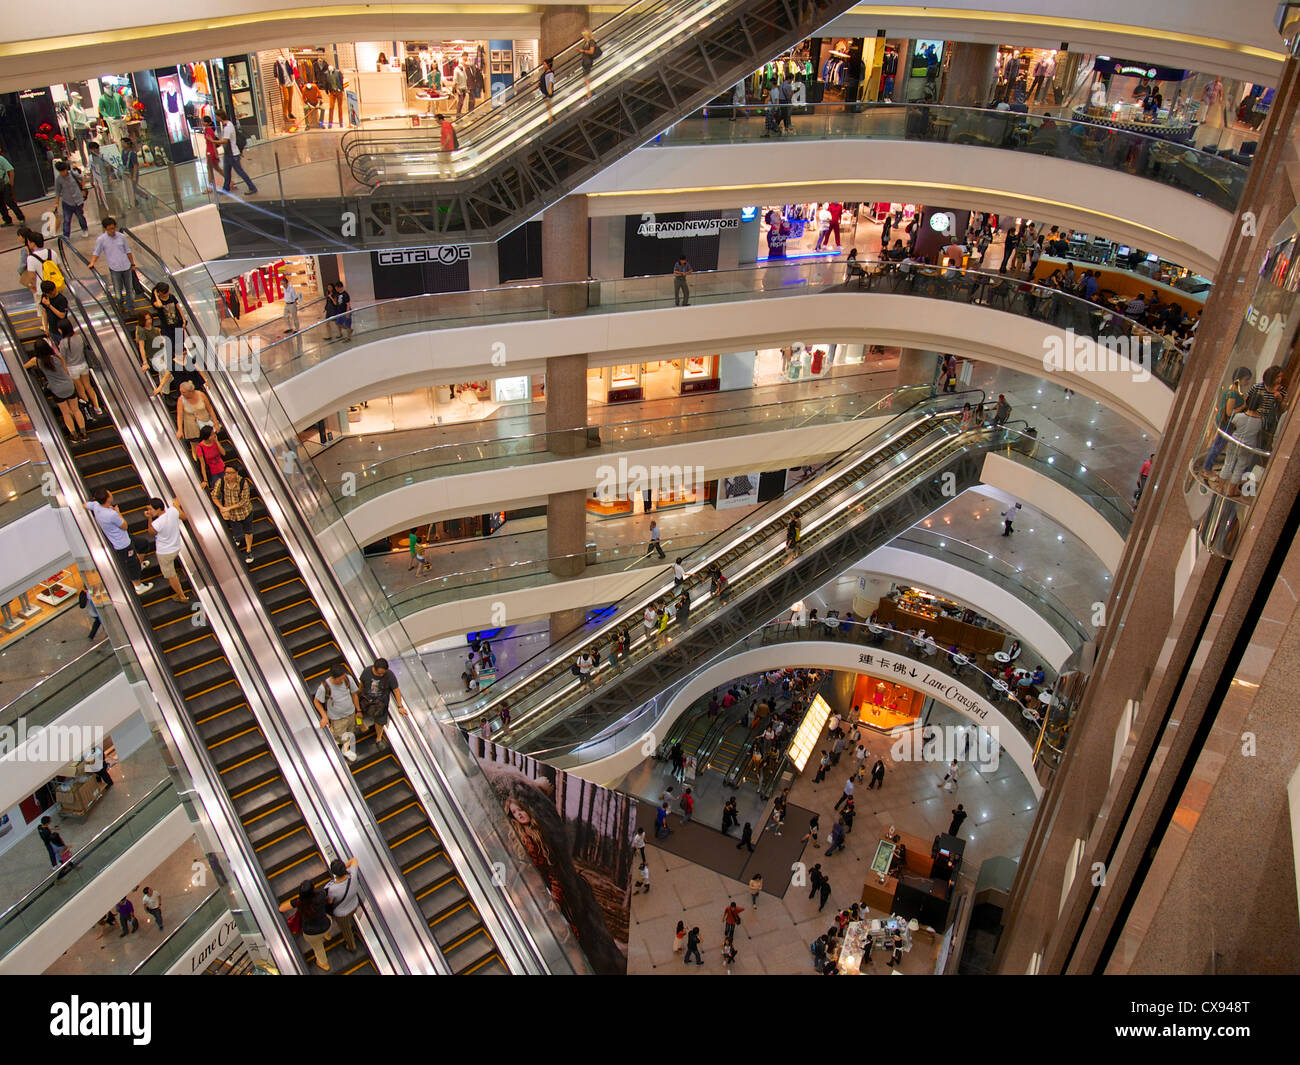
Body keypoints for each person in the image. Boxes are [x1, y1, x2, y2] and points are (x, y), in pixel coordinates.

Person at [87, 488, 153, 594]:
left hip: (125, 537)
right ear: (107, 499)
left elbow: (84, 505)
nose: (111, 493)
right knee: (131, 564)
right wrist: (118, 512)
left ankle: (138, 564)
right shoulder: (111, 514)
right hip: (123, 543)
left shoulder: (95, 505)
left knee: (142, 544)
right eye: (109, 493)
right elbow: (124, 526)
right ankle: (138, 586)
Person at [25, 337, 88, 442]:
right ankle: (84, 433)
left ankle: (74, 435)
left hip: (57, 389)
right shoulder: (58, 357)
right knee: (76, 409)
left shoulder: (36, 361)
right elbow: (66, 371)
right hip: (69, 386)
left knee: (66, 412)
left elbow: (23, 367)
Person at [87, 217, 137, 314]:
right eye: (110, 229)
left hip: (126, 266)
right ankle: (120, 306)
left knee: (129, 289)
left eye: (113, 228)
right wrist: (92, 262)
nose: (112, 231)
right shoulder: (101, 240)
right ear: (105, 229)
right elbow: (96, 252)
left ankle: (131, 308)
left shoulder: (121, 236)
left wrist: (132, 264)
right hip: (115, 268)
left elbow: (128, 250)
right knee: (118, 290)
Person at [280, 879, 331, 970]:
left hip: (311, 933)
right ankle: (327, 936)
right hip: (326, 924)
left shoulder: (299, 902)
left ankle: (324, 964)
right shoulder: (321, 895)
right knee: (327, 919)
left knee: (318, 948)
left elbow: (281, 909)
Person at [314, 661, 361, 762]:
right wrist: (324, 717)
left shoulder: (348, 679)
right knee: (340, 735)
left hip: (351, 713)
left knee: (350, 731)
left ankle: (345, 749)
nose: (342, 680)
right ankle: (341, 750)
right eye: (340, 679)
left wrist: (358, 710)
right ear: (333, 678)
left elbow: (354, 694)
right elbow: (317, 702)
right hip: (337, 718)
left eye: (343, 677)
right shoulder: (324, 688)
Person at [146, 497, 189, 604]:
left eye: (151, 509)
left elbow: (151, 532)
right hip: (176, 547)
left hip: (164, 552)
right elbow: (184, 517)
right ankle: (178, 588)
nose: (149, 511)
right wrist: (176, 504)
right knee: (171, 571)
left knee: (171, 575)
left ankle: (182, 596)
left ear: (159, 509)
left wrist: (149, 518)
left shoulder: (158, 522)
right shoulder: (173, 511)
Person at [358, 657, 407, 748]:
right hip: (366, 700)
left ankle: (379, 738)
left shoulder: (389, 675)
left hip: (381, 704)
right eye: (378, 673)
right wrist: (359, 695)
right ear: (374, 668)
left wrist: (400, 706)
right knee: (357, 713)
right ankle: (360, 725)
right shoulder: (367, 671)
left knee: (380, 722)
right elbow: (361, 684)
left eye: (382, 673)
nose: (381, 675)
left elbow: (396, 690)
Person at [212, 461, 255, 563]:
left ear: (236, 473)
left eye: (231, 473)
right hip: (232, 515)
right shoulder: (221, 481)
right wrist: (222, 508)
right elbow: (214, 496)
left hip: (245, 512)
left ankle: (248, 551)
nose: (228, 475)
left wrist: (227, 509)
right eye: (226, 473)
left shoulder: (242, 482)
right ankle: (238, 538)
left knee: (248, 531)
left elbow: (244, 501)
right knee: (236, 530)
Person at [175, 379, 219, 462]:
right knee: (195, 447)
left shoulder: (201, 395)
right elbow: (179, 416)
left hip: (205, 425)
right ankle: (199, 463)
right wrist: (180, 430)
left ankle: (212, 461)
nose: (181, 394)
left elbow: (210, 409)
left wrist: (216, 423)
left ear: (190, 391)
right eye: (181, 391)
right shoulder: (181, 400)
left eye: (183, 392)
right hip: (192, 428)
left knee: (210, 444)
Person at [216, 109, 258, 194]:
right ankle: (225, 188)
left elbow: (225, 141)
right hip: (229, 154)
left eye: (216, 116)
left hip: (232, 154)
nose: (216, 118)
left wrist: (213, 141)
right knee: (227, 173)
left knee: (240, 172)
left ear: (220, 117)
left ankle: (252, 187)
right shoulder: (229, 124)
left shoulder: (227, 127)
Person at [325, 856, 361, 951]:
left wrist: (339, 869)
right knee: (348, 922)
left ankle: (351, 946)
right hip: (354, 904)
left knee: (346, 930)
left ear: (334, 873)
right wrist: (341, 867)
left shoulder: (332, 889)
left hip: (342, 914)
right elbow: (354, 859)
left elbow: (330, 902)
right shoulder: (353, 875)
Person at [53, 160, 89, 238]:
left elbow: (83, 178)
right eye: (61, 171)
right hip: (67, 202)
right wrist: (56, 203)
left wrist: (83, 189)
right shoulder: (58, 179)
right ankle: (66, 235)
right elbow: (57, 192)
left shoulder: (72, 174)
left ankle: (84, 229)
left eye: (64, 170)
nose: (63, 173)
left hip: (78, 200)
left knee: (80, 216)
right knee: (66, 219)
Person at [193, 425, 226, 490]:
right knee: (217, 490)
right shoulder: (200, 447)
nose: (214, 435)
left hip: (222, 468)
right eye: (212, 434)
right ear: (206, 436)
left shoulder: (214, 442)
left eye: (214, 433)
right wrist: (205, 480)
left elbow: (223, 453)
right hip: (213, 473)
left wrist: (217, 441)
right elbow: (203, 465)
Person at [0, 146, 25, 225]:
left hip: (4, 184)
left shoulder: (1, 159)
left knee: (9, 201)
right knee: (0, 204)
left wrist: (11, 181)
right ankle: (7, 220)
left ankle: (21, 218)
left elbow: (10, 169)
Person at [578, 29, 599, 99]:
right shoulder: (586, 42)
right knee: (585, 78)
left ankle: (589, 94)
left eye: (583, 35)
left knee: (586, 78)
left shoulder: (591, 42)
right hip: (585, 61)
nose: (582, 37)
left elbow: (591, 52)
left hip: (588, 61)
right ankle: (588, 93)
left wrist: (583, 51)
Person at [201, 116, 221, 188]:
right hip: (209, 150)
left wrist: (216, 154)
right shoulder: (207, 130)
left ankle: (210, 186)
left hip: (211, 151)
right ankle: (230, 180)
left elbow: (213, 143)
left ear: (207, 123)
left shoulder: (209, 130)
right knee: (216, 168)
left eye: (203, 121)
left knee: (209, 168)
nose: (202, 122)